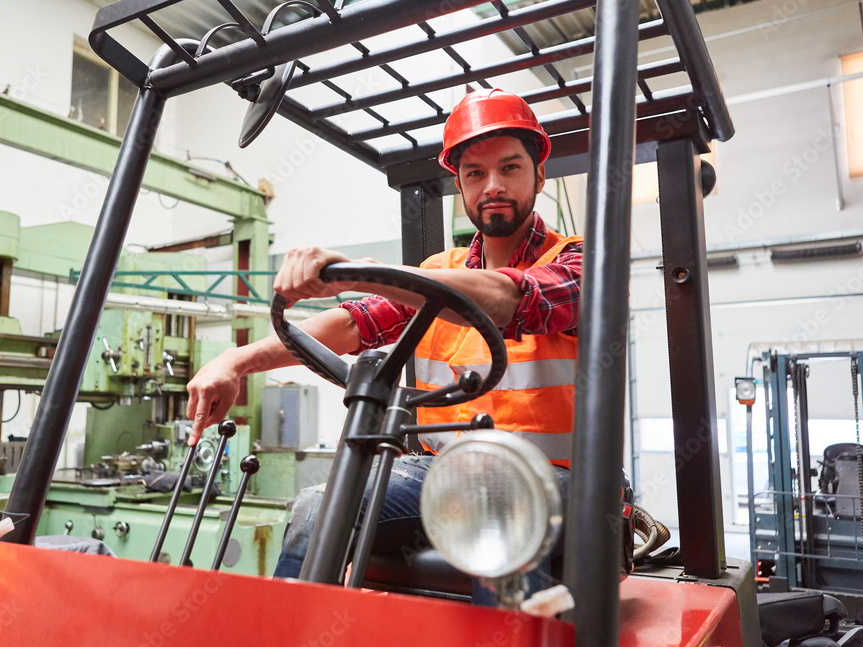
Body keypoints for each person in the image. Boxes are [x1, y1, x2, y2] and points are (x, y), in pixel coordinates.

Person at [186, 89, 582, 604]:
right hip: (445, 472)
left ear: (539, 174)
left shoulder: (576, 260)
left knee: (496, 523)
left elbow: (513, 299)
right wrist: (235, 360)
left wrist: (368, 272)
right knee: (317, 507)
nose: (494, 186)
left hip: (556, 477)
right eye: (476, 174)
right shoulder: (438, 272)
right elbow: (352, 325)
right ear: (460, 184)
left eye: (510, 168)